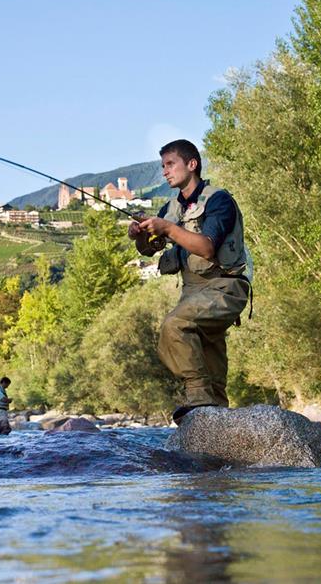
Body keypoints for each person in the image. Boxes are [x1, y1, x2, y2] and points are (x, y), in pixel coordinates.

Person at [128, 139, 251, 425]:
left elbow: (207, 248)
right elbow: (148, 250)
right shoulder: (170, 209)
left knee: (176, 326)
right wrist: (140, 236)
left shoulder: (218, 200)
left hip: (226, 287)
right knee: (210, 366)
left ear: (192, 164)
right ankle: (216, 425)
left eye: (171, 164)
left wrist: (168, 228)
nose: (165, 171)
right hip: (193, 291)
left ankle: (198, 400)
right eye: (163, 166)